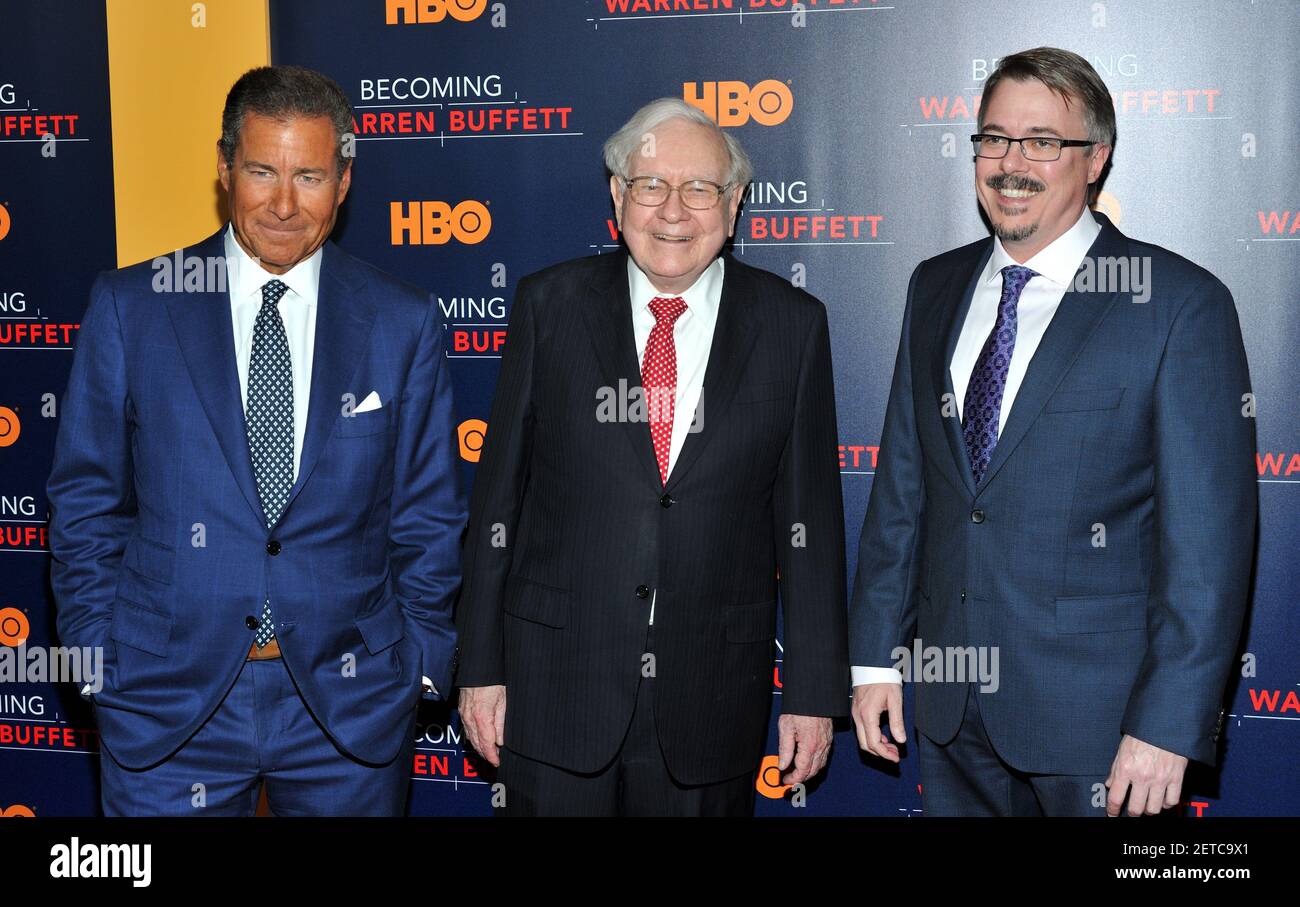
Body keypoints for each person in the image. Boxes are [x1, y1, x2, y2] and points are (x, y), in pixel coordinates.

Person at [47, 65, 465, 816]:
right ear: (223, 167)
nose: (281, 203)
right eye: (260, 171)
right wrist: (97, 658)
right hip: (163, 701)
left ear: (343, 178)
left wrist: (420, 665)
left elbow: (426, 516)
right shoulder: (133, 307)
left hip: (350, 705)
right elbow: (86, 503)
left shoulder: (402, 321)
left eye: (308, 175)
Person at [849, 47, 1256, 817]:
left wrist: (1169, 723)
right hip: (948, 706)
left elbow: (1208, 545)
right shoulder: (934, 285)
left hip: (1103, 728)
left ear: (1096, 157)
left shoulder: (1177, 303)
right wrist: (874, 655)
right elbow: (903, 488)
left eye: (1042, 141)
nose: (1011, 163)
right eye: (993, 138)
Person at [455, 97, 848, 816]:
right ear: (617, 197)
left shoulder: (792, 326)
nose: (673, 210)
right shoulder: (551, 305)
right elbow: (496, 505)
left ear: (733, 206)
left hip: (711, 701)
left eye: (699, 188)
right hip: (553, 691)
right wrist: (479, 667)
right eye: (650, 185)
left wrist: (815, 694)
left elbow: (811, 526)